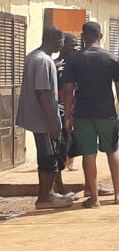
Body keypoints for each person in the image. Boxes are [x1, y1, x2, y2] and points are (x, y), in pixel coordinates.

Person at [62, 21, 119, 208]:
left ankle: (95, 199)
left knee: (88, 154)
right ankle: (117, 195)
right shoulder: (111, 59)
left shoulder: (74, 59)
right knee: (112, 150)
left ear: (83, 36)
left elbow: (67, 90)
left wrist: (67, 116)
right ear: (101, 35)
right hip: (107, 112)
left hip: (83, 113)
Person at [18, 27, 72, 209]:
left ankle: (49, 193)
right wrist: (52, 123)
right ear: (57, 40)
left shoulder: (35, 56)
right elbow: (42, 93)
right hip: (43, 120)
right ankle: (44, 197)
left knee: (49, 156)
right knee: (49, 158)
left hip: (39, 118)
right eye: (62, 40)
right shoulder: (42, 61)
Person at [56, 32, 81, 174]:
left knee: (74, 136)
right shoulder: (55, 64)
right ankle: (63, 162)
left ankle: (71, 162)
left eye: (76, 45)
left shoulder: (77, 65)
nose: (75, 48)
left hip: (75, 104)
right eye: (71, 45)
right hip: (59, 104)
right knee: (63, 136)